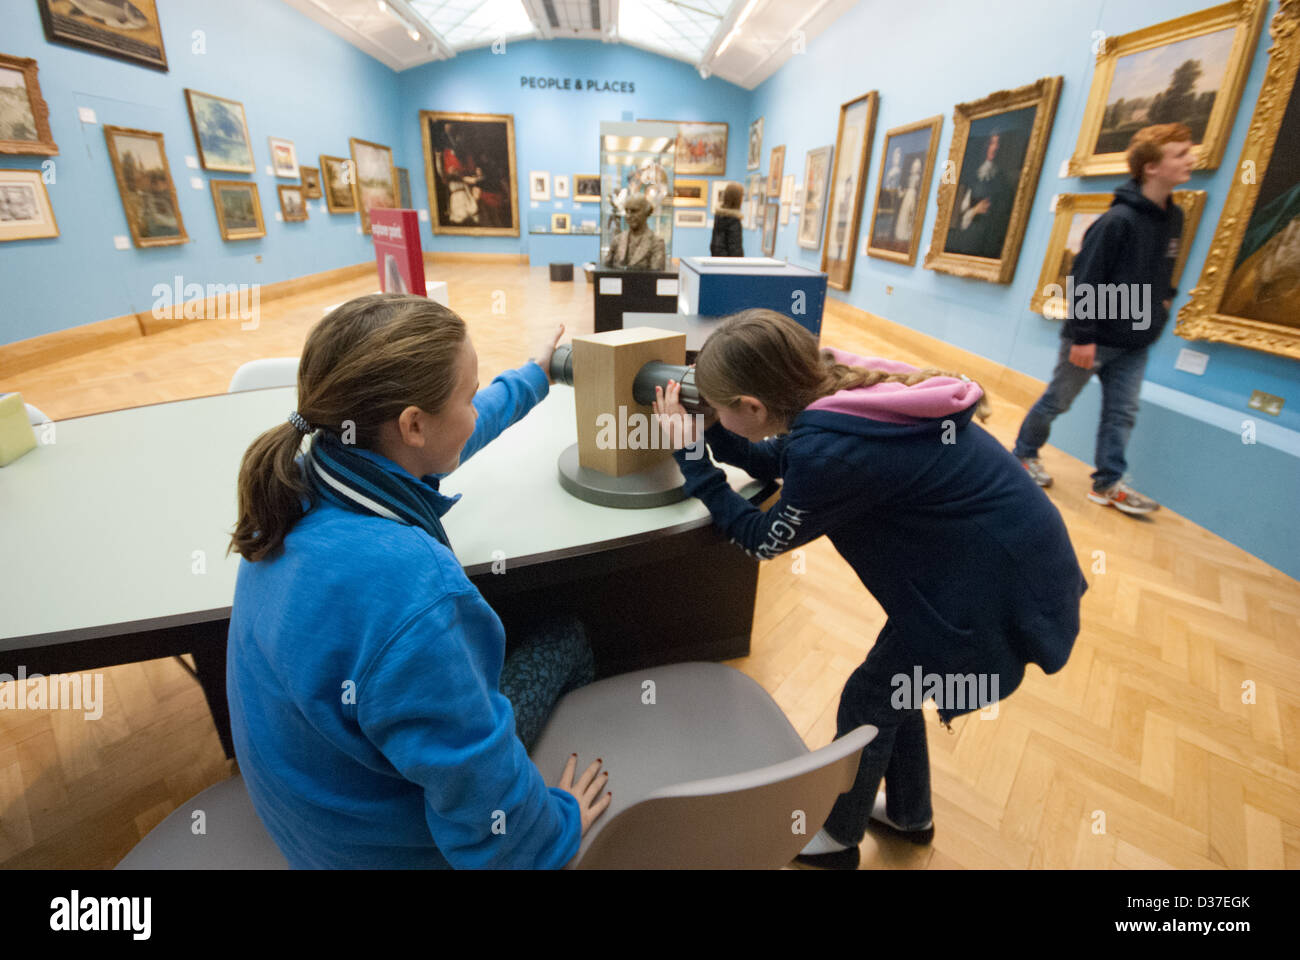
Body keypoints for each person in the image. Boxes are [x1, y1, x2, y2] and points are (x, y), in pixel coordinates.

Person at [652, 309, 1086, 869]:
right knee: (894, 691)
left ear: (755, 407)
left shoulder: (831, 449)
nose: (710, 413)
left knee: (871, 697)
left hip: (983, 596)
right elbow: (783, 457)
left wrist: (692, 459)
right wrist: (712, 433)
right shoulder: (835, 394)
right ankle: (909, 814)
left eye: (716, 407)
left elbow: (763, 539)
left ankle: (837, 838)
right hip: (991, 567)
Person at [226, 293, 611, 868]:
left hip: (318, 827)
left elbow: (454, 438)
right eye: (468, 394)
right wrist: (558, 828)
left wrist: (534, 375)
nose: (476, 409)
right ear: (412, 424)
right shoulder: (414, 590)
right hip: (400, 851)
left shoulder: (302, 479)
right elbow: (490, 817)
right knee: (566, 634)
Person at [1013, 123, 1193, 515]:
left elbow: (1164, 270)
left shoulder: (1173, 218)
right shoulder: (1117, 222)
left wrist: (1163, 302)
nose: (1190, 159)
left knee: (1122, 412)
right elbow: (1084, 280)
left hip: (1135, 342)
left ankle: (1108, 482)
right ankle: (1024, 454)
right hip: (1093, 338)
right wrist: (1083, 337)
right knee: (1057, 401)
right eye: (1179, 154)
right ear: (1151, 167)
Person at [945, 130, 1016, 259]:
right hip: (964, 238)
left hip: (985, 240)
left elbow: (1000, 215)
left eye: (998, 143)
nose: (995, 147)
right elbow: (959, 210)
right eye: (992, 143)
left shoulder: (1003, 180)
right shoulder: (972, 175)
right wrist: (973, 211)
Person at [606, 194, 666, 269]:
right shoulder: (617, 240)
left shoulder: (656, 243)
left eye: (634, 211)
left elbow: (657, 274)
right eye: (627, 211)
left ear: (646, 212)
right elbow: (606, 269)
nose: (628, 216)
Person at [710, 182, 745, 257]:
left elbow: (714, 245)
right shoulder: (734, 220)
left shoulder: (719, 217)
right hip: (729, 264)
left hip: (716, 260)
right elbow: (735, 249)